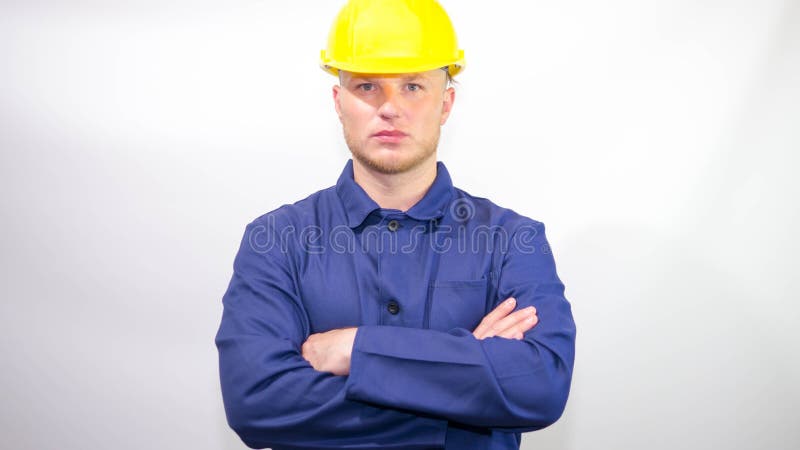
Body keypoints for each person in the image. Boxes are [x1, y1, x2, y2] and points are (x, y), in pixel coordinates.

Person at [214, 1, 576, 449]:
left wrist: (355, 349)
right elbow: (257, 403)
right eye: (366, 85)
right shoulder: (276, 241)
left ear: (446, 103)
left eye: (413, 86)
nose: (389, 108)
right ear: (338, 101)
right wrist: (465, 399)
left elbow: (540, 386)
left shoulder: (513, 240)